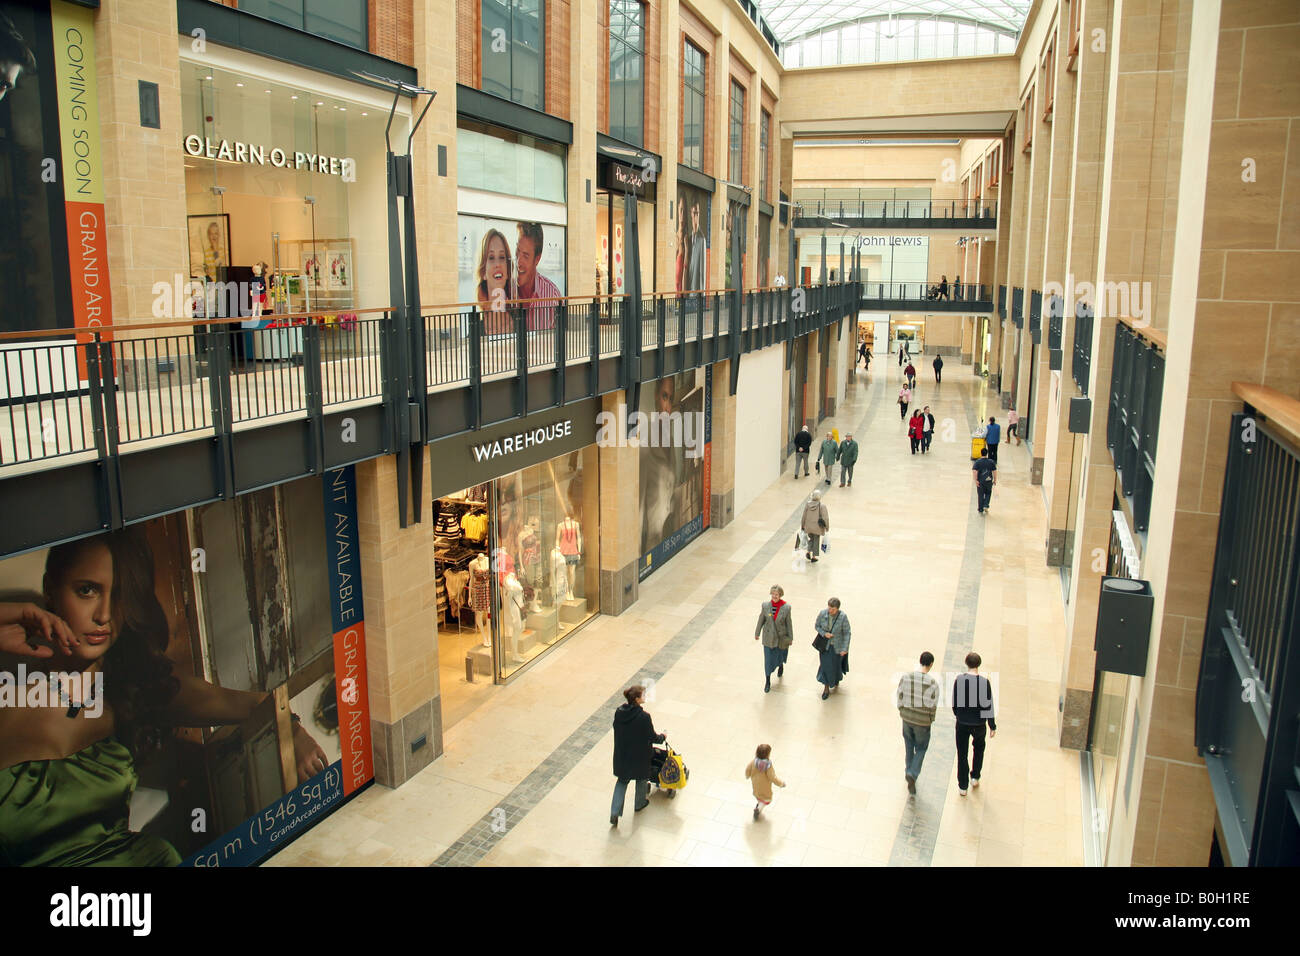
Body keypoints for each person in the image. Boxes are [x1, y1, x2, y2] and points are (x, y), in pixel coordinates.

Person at [0, 529, 328, 866]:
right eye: (87, 590)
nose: (104, 615)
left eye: (120, 596)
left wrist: (293, 731)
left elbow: (253, 704)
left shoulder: (136, 686)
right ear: (50, 590)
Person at [610, 684, 666, 825]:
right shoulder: (644, 717)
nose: (645, 697)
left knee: (622, 782)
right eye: (643, 695)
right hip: (640, 756)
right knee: (642, 778)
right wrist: (662, 737)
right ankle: (639, 803)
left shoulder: (619, 712)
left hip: (622, 755)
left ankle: (614, 812)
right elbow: (652, 737)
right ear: (636, 699)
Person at [953, 652, 996, 795]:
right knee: (978, 750)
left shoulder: (959, 680)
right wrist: (992, 725)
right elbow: (988, 705)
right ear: (979, 664)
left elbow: (955, 702)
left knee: (962, 754)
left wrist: (958, 715)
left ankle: (963, 786)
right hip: (979, 724)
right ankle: (975, 777)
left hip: (963, 723)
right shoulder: (984, 682)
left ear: (967, 663)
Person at [896, 651, 940, 794]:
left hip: (907, 718)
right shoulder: (932, 683)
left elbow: (899, 695)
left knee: (909, 745)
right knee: (921, 748)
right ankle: (913, 773)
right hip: (922, 722)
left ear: (920, 661)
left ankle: (908, 770)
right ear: (931, 664)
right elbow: (933, 705)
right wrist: (930, 719)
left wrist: (902, 710)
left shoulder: (907, 677)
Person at [515, 222, 561, 330]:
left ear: (537, 259)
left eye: (525, 256)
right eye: (517, 251)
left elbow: (559, 338)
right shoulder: (504, 291)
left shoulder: (552, 296)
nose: (518, 262)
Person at [754, 585, 793, 693]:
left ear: (780, 595)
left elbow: (789, 623)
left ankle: (780, 665)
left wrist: (790, 637)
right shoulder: (765, 605)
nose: (774, 596)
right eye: (773, 594)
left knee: (780, 654)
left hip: (780, 638)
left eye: (777, 594)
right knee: (768, 660)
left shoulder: (786, 607)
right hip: (768, 638)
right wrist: (757, 633)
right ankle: (767, 680)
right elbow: (761, 619)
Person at [475, 228, 514, 336]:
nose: (498, 264)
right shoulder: (475, 331)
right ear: (483, 272)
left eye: (502, 257)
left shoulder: (520, 322)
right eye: (491, 258)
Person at [814, 597, 850, 700]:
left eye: (833, 609)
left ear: (837, 609)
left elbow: (847, 633)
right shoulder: (822, 613)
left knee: (835, 665)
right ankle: (826, 687)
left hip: (837, 647)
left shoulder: (843, 617)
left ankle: (835, 679)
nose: (830, 611)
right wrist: (824, 633)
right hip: (825, 646)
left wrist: (845, 648)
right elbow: (817, 626)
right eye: (829, 608)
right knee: (825, 666)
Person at [746, 743, 786, 820]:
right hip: (765, 786)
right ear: (768, 754)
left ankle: (758, 806)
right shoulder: (768, 765)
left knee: (759, 796)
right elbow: (772, 777)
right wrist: (781, 784)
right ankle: (758, 809)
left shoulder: (754, 761)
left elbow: (748, 769)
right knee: (767, 799)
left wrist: (747, 775)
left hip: (755, 784)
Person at [799, 489, 829, 563]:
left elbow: (804, 515)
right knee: (816, 540)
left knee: (811, 538)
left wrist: (802, 525)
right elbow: (825, 518)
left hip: (808, 526)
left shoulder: (807, 504)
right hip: (817, 527)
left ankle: (808, 552)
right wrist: (827, 527)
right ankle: (814, 557)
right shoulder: (822, 506)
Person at [687, 200, 707, 292]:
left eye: (697, 213)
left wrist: (701, 293)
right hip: (688, 289)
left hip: (696, 292)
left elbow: (702, 271)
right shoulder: (688, 238)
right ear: (691, 214)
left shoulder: (701, 239)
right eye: (694, 213)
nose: (695, 216)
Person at [973, 446, 997, 514]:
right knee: (988, 493)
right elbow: (994, 471)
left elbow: (975, 471)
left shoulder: (977, 462)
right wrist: (995, 480)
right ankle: (986, 505)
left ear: (981, 454)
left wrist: (976, 480)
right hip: (988, 481)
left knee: (980, 495)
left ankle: (980, 509)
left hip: (981, 481)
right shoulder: (991, 462)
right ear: (987, 454)